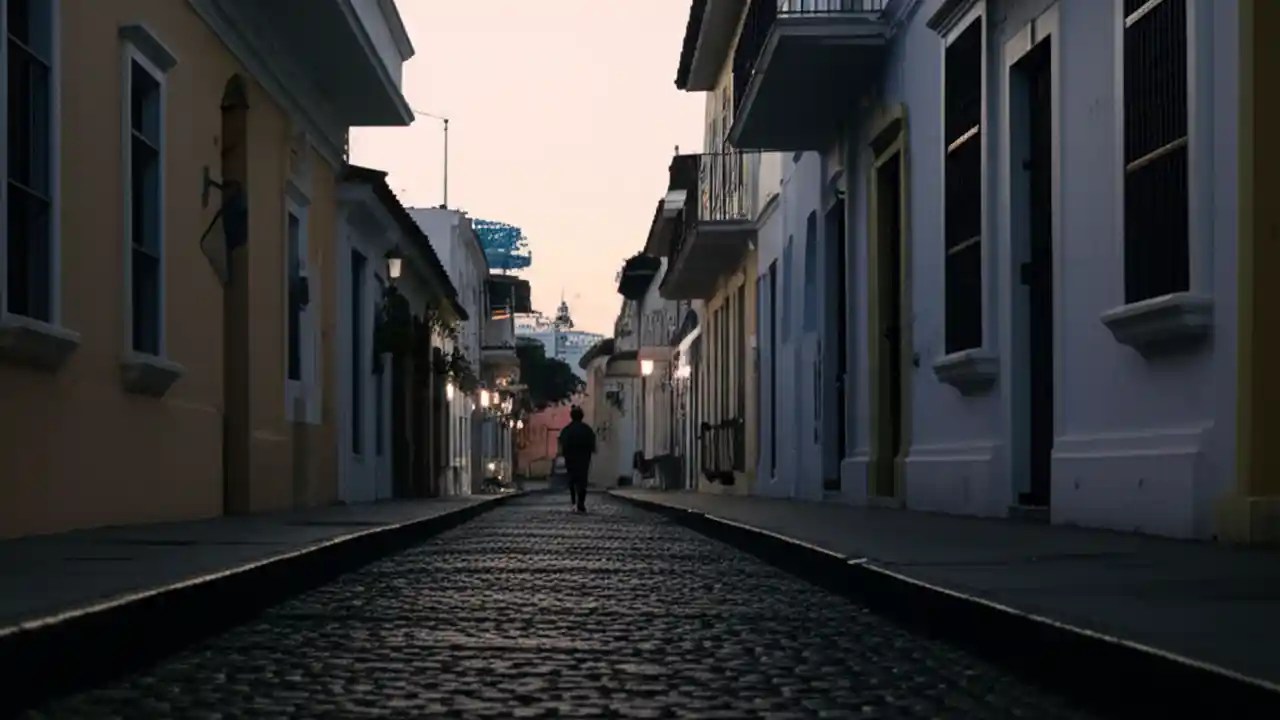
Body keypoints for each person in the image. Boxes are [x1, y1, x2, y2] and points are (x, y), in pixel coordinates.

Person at [557, 406, 596, 513]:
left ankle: (574, 501)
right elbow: (592, 444)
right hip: (584, 458)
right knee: (582, 481)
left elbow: (562, 443)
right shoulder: (587, 429)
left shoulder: (567, 430)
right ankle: (581, 502)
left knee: (572, 480)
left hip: (571, 458)